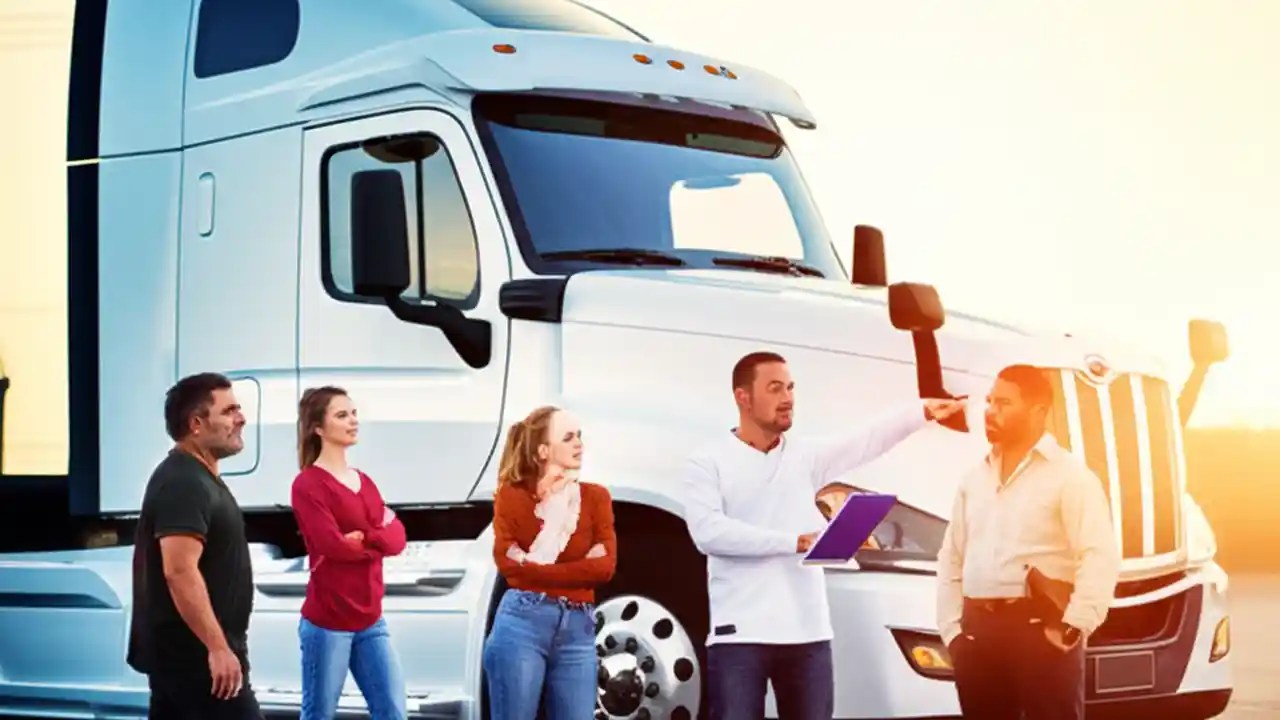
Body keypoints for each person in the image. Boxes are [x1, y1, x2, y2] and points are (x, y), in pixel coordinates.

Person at [682, 351, 965, 720]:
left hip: (808, 637)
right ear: (743, 397)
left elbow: (866, 440)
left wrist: (922, 412)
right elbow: (708, 533)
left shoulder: (805, 456)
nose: (788, 398)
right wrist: (793, 542)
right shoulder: (708, 461)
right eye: (775, 388)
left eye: (790, 387)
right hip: (739, 638)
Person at [936, 364, 1121, 720]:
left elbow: (1098, 555)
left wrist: (1076, 626)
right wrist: (953, 633)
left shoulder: (1071, 477)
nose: (990, 411)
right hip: (978, 636)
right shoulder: (974, 479)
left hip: (1043, 631)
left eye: (1004, 403)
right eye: (990, 401)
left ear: (1038, 411)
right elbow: (952, 557)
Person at [127, 372, 264, 719]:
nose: (241, 418)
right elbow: (179, 570)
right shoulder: (185, 482)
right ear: (197, 423)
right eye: (229, 410)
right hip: (199, 663)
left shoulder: (198, 477)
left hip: (189, 662)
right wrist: (218, 648)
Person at [481, 405, 617, 720]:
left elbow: (605, 567)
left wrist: (536, 568)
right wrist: (579, 568)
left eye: (579, 436)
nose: (579, 444)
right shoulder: (512, 496)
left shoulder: (596, 498)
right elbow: (508, 564)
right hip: (522, 621)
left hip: (578, 627)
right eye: (568, 437)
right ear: (543, 451)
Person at [289, 386, 409, 720]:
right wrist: (377, 540)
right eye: (342, 415)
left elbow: (398, 538)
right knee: (319, 715)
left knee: (393, 712)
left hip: (371, 620)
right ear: (318, 427)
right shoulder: (309, 485)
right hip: (329, 623)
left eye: (354, 413)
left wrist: (366, 537)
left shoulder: (365, 481)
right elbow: (333, 546)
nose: (353, 421)